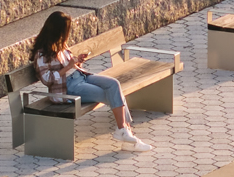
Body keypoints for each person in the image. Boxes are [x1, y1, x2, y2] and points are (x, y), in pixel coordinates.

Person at [30, 11, 154, 152]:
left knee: (114, 85)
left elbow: (70, 66)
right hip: (68, 88)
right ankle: (126, 134)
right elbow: (46, 80)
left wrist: (77, 61)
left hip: (80, 76)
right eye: (65, 31)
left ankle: (124, 131)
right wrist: (68, 67)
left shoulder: (61, 45)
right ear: (57, 30)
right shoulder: (41, 54)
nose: (67, 35)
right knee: (109, 94)